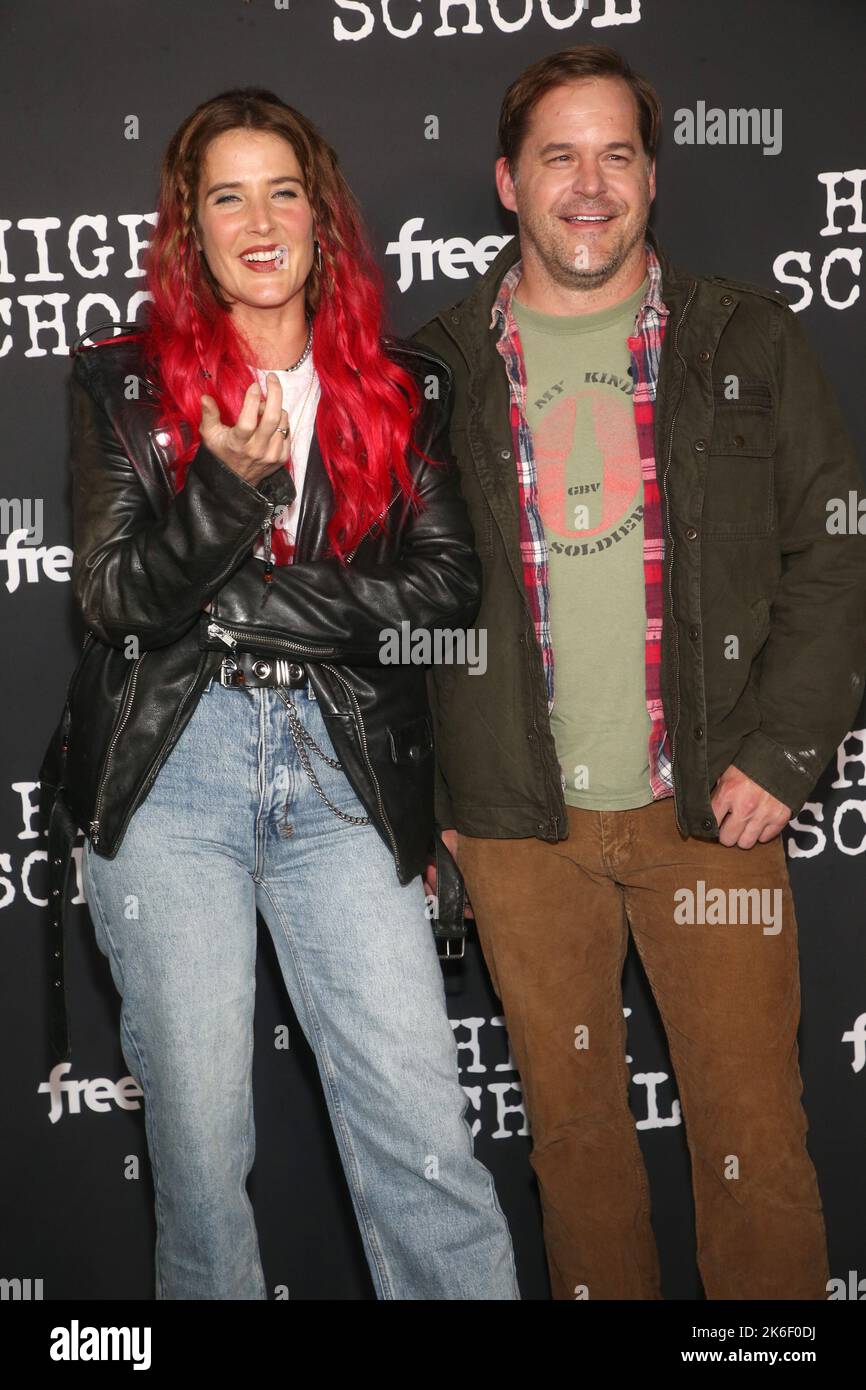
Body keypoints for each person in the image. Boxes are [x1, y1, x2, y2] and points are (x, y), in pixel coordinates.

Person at [39, 87, 519, 1301]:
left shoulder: (400, 392)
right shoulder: (123, 388)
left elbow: (444, 594)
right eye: (226, 197)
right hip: (170, 779)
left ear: (324, 216)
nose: (259, 221)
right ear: (189, 229)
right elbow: (111, 600)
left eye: (283, 190)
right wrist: (228, 489)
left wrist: (247, 603)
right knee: (201, 1164)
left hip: (344, 772)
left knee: (423, 1142)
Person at [413, 44, 866, 1299]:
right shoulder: (430, 372)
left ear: (652, 178)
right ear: (508, 182)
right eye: (557, 155)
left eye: (615, 153)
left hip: (707, 817)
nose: (588, 184)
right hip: (515, 832)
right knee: (574, 1151)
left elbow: (833, 556)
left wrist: (780, 754)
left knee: (753, 1142)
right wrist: (430, 792)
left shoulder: (747, 341)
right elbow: (387, 602)